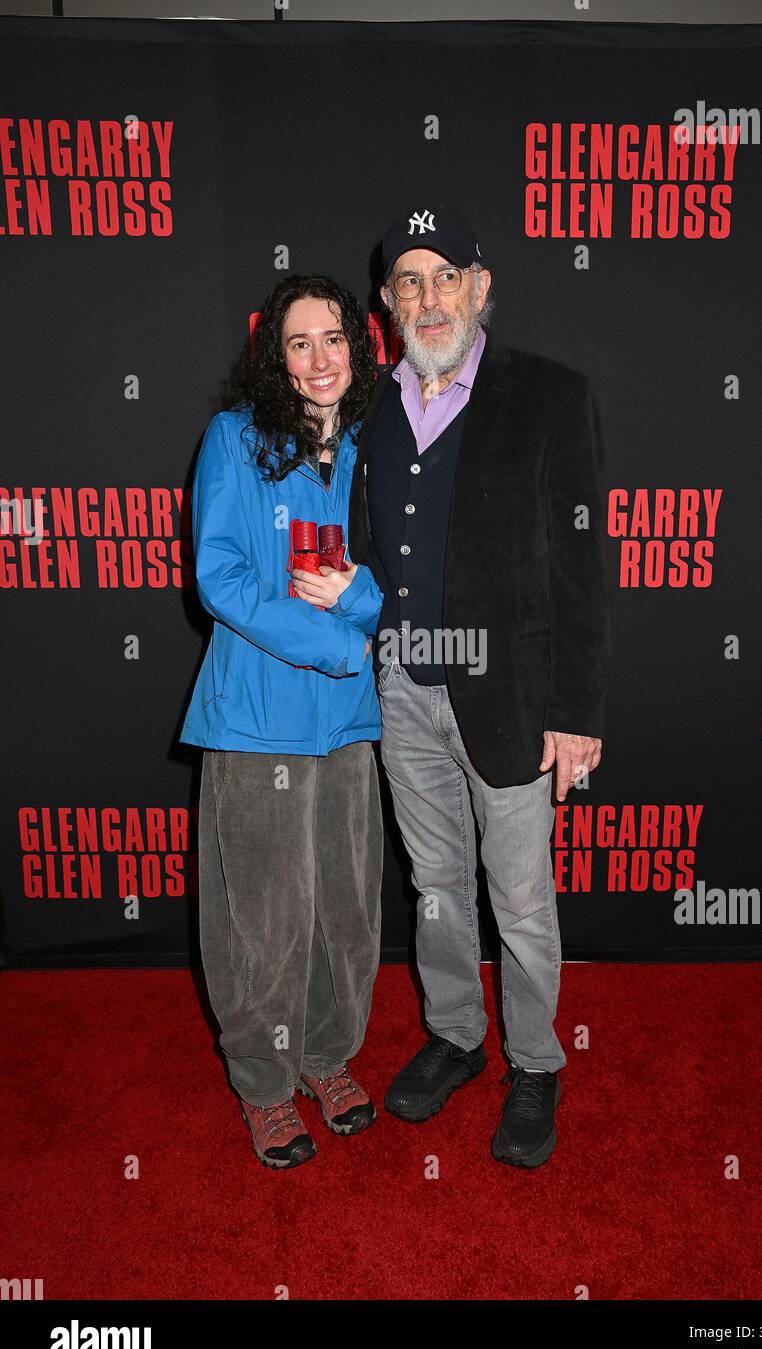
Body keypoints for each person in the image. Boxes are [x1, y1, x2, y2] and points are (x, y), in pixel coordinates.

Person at [345, 204, 612, 1169]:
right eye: (409, 281)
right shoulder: (372, 406)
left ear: (481, 286)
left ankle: (535, 1064)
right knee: (436, 888)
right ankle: (457, 1035)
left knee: (523, 899)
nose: (429, 297)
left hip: (509, 698)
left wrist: (576, 712)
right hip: (405, 692)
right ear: (387, 303)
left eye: (446, 276)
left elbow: (583, 562)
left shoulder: (549, 395)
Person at [180, 274, 385, 1169]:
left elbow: (394, 582)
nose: (319, 359)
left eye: (333, 338)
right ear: (276, 356)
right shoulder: (234, 439)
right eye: (299, 343)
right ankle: (266, 1085)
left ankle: (327, 1056)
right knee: (262, 917)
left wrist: (363, 599)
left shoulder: (379, 449)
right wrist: (338, 644)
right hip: (258, 716)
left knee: (347, 907)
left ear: (357, 345)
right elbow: (220, 580)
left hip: (346, 723)